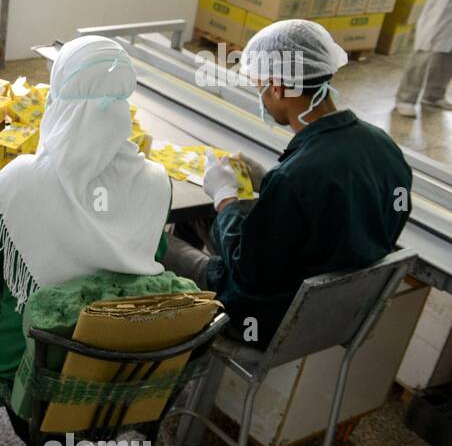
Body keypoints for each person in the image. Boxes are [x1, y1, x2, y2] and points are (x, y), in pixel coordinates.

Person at [165, 20, 412, 348]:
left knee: (154, 240)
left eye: (260, 87)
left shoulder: (295, 177)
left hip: (269, 318)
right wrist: (266, 180)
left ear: (278, 88)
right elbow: (322, 206)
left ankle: (167, 347)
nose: (261, 97)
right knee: (200, 218)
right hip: (338, 311)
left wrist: (225, 196)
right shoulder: (382, 145)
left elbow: (247, 270)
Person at [0, 35, 174, 381]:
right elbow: (154, 253)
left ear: (57, 98)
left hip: (25, 365)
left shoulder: (21, 180)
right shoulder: (155, 182)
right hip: (116, 367)